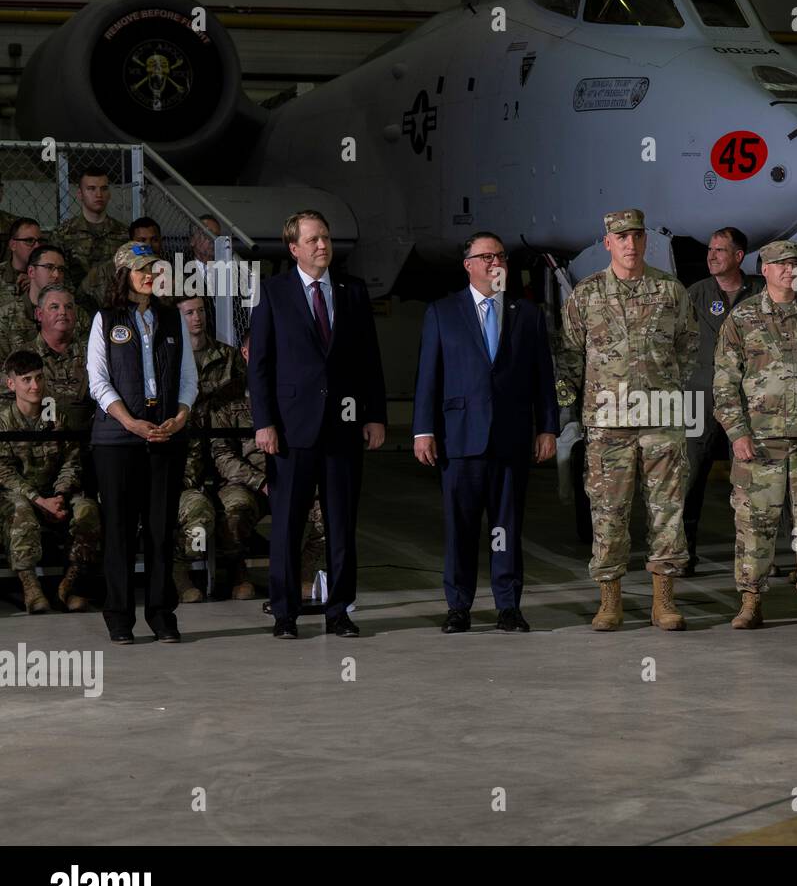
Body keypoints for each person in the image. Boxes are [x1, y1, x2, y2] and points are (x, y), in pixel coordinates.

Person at [556, 208, 698, 632]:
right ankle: (610, 600)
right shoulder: (586, 294)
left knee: (667, 511)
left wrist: (665, 388)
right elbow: (568, 357)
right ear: (608, 243)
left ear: (645, 241)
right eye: (621, 238)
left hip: (661, 421)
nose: (630, 245)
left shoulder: (670, 291)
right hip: (608, 424)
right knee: (609, 512)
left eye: (636, 236)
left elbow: (689, 349)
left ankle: (664, 601)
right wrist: (575, 411)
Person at [247, 210, 387, 640]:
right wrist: (264, 423)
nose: (322, 245)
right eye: (312, 240)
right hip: (291, 431)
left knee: (341, 526)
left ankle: (339, 610)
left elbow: (369, 360)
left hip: (342, 430)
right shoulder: (273, 293)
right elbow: (261, 366)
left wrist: (375, 415)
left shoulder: (353, 291)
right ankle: (285, 614)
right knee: (288, 524)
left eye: (325, 238)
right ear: (293, 249)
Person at [411, 231, 559, 633]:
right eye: (487, 256)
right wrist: (423, 430)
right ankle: (458, 605)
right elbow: (429, 376)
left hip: (510, 438)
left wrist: (547, 427)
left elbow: (542, 377)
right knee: (460, 527)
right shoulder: (443, 312)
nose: (496, 263)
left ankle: (508, 605)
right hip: (460, 438)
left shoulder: (526, 314)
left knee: (505, 527)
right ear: (469, 265)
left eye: (501, 256)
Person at [713, 240, 797, 630]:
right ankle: (751, 601)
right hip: (758, 444)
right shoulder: (742, 319)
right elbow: (724, 383)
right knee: (754, 525)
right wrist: (736, 432)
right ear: (765, 269)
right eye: (782, 264)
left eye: (796, 264)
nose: (790, 270)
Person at [88, 242, 198, 644]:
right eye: (140, 269)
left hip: (165, 437)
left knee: (160, 530)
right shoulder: (105, 319)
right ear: (123, 274)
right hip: (117, 441)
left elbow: (189, 378)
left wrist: (181, 416)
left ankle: (161, 614)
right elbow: (97, 380)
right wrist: (130, 422)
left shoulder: (172, 318)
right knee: (118, 530)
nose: (149, 274)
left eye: (152, 267)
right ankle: (119, 616)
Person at [211, 332, 326, 601]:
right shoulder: (228, 396)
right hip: (247, 483)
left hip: (290, 475)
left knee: (330, 510)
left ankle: (302, 568)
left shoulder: (292, 391)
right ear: (245, 353)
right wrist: (260, 482)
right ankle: (239, 572)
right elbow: (221, 454)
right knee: (234, 511)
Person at [682, 227, 762, 574]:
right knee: (689, 476)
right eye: (710, 250)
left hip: (746, 401)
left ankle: (754, 557)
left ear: (739, 256)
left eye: (720, 250)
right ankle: (682, 554)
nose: (712, 256)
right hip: (699, 398)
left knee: (751, 482)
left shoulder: (760, 292)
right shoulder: (696, 294)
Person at [0, 350, 100, 613]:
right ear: (11, 384)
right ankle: (30, 587)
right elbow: (5, 473)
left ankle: (69, 585)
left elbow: (71, 461)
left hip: (54, 494)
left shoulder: (55, 416)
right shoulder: (4, 421)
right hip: (20, 496)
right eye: (26, 380)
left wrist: (60, 495)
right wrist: (39, 500)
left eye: (39, 378)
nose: (35, 386)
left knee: (87, 510)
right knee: (20, 511)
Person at [172, 294, 242, 604]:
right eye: (188, 313)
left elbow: (239, 404)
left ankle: (237, 569)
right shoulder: (169, 357)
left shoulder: (227, 356)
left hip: (223, 446)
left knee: (237, 504)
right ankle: (179, 570)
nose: (196, 318)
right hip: (186, 449)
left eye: (200, 311)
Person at [17, 283, 92, 431]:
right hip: (38, 444)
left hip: (85, 443)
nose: (63, 312)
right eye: (54, 307)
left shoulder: (93, 353)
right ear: (39, 314)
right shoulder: (21, 357)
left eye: (69, 307)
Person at [0, 245, 92, 362]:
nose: (56, 275)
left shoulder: (77, 314)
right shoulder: (5, 317)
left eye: (61, 269)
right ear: (31, 271)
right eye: (49, 267)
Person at [50, 168, 129, 293]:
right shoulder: (63, 234)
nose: (98, 194)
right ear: (80, 194)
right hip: (75, 305)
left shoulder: (124, 233)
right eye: (91, 189)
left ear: (109, 194)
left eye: (103, 189)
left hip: (114, 304)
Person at [79, 216, 160, 312]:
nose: (148, 245)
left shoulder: (170, 272)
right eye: (141, 241)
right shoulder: (103, 272)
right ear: (130, 242)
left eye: (154, 240)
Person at [2, 218, 43, 307]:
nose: (37, 246)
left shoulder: (49, 272)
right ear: (13, 245)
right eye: (29, 241)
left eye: (39, 241)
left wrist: (37, 285)